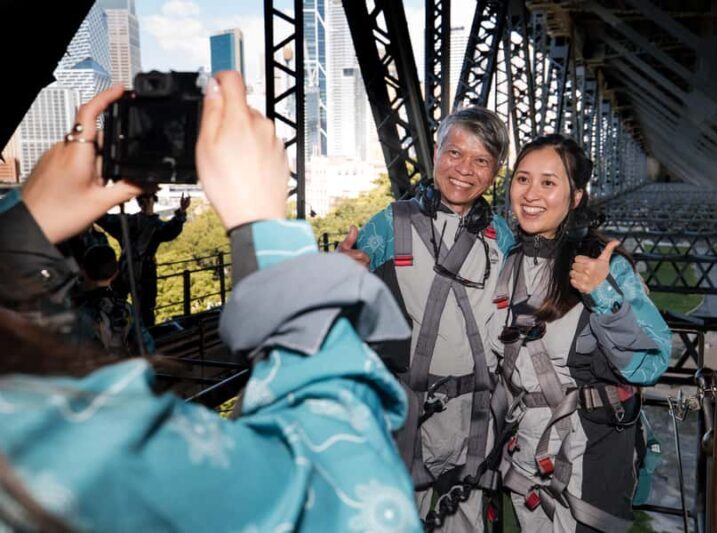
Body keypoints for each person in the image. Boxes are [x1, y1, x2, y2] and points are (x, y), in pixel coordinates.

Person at [0, 72, 420, 532]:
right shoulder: (65, 441)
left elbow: (160, 233)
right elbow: (350, 495)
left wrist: (22, 232)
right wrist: (267, 230)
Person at [338, 107, 515, 530]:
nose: (464, 170)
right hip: (404, 412)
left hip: (474, 413)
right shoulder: (389, 225)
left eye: (481, 161)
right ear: (435, 152)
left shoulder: (501, 237)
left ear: (495, 172)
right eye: (455, 153)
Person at [489, 134, 671, 532]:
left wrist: (603, 296)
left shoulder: (605, 267)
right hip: (526, 453)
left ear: (575, 197)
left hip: (594, 452)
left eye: (549, 182)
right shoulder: (508, 261)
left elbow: (650, 364)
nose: (532, 193)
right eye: (523, 179)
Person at [96, 190, 190, 327]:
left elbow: (171, 229)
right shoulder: (131, 223)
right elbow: (104, 219)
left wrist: (181, 211)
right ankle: (134, 337)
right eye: (141, 199)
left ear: (153, 199)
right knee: (119, 305)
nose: (144, 202)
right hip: (136, 271)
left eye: (147, 198)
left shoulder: (129, 223)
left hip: (129, 270)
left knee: (141, 309)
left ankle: (135, 336)